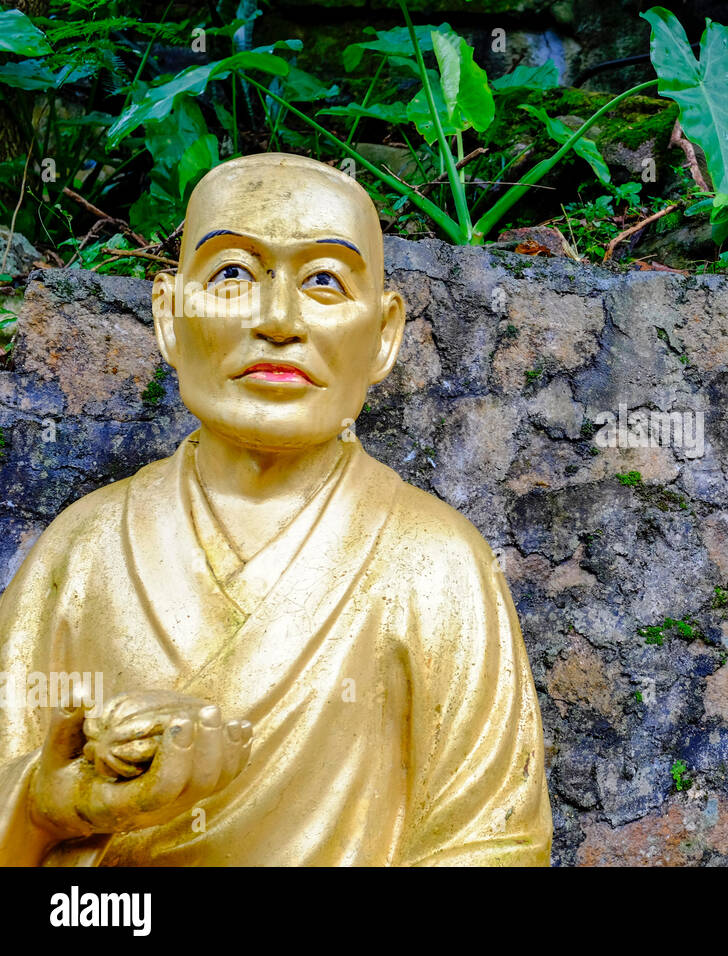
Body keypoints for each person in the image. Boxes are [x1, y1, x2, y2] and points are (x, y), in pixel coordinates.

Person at [0, 152, 552, 866]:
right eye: (233, 274)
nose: (278, 320)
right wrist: (47, 803)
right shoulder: (82, 549)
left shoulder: (438, 563)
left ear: (384, 334)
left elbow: (495, 844)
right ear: (168, 313)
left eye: (324, 281)